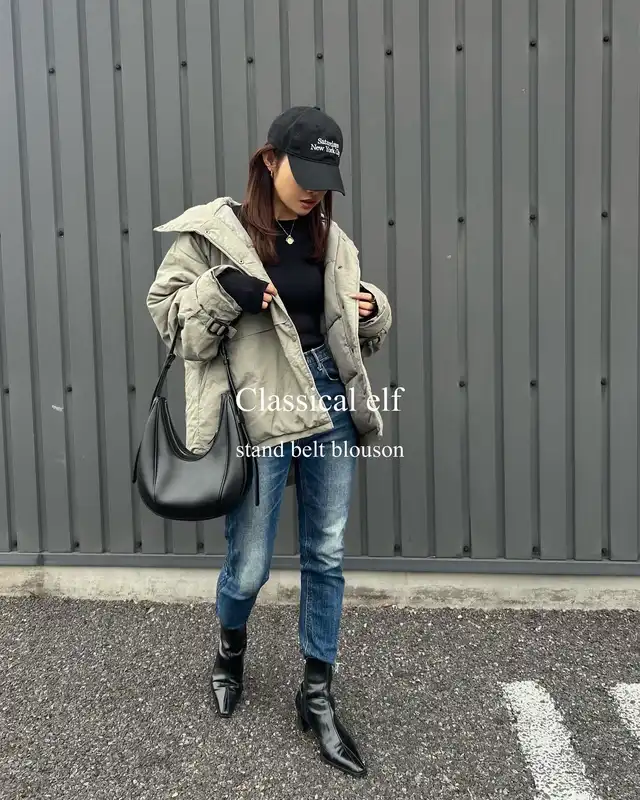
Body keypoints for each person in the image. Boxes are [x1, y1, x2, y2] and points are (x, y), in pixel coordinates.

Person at [146, 105, 392, 778]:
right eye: (302, 174)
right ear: (268, 161)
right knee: (250, 562)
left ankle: (316, 692)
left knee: (326, 551)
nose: (314, 191)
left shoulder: (330, 239)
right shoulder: (212, 236)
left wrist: (374, 308)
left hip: (329, 400)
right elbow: (172, 325)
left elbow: (349, 326)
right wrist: (221, 290)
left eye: (324, 179)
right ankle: (231, 648)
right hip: (258, 410)